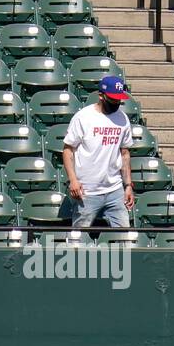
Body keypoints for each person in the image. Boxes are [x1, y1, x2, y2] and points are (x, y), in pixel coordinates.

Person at [62, 75, 135, 230]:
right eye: (113, 99)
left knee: (125, 235)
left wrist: (128, 185)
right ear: (101, 95)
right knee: (79, 237)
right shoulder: (83, 117)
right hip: (87, 190)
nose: (116, 102)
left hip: (114, 189)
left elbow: (125, 153)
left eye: (118, 99)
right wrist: (73, 180)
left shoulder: (123, 119)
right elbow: (68, 150)